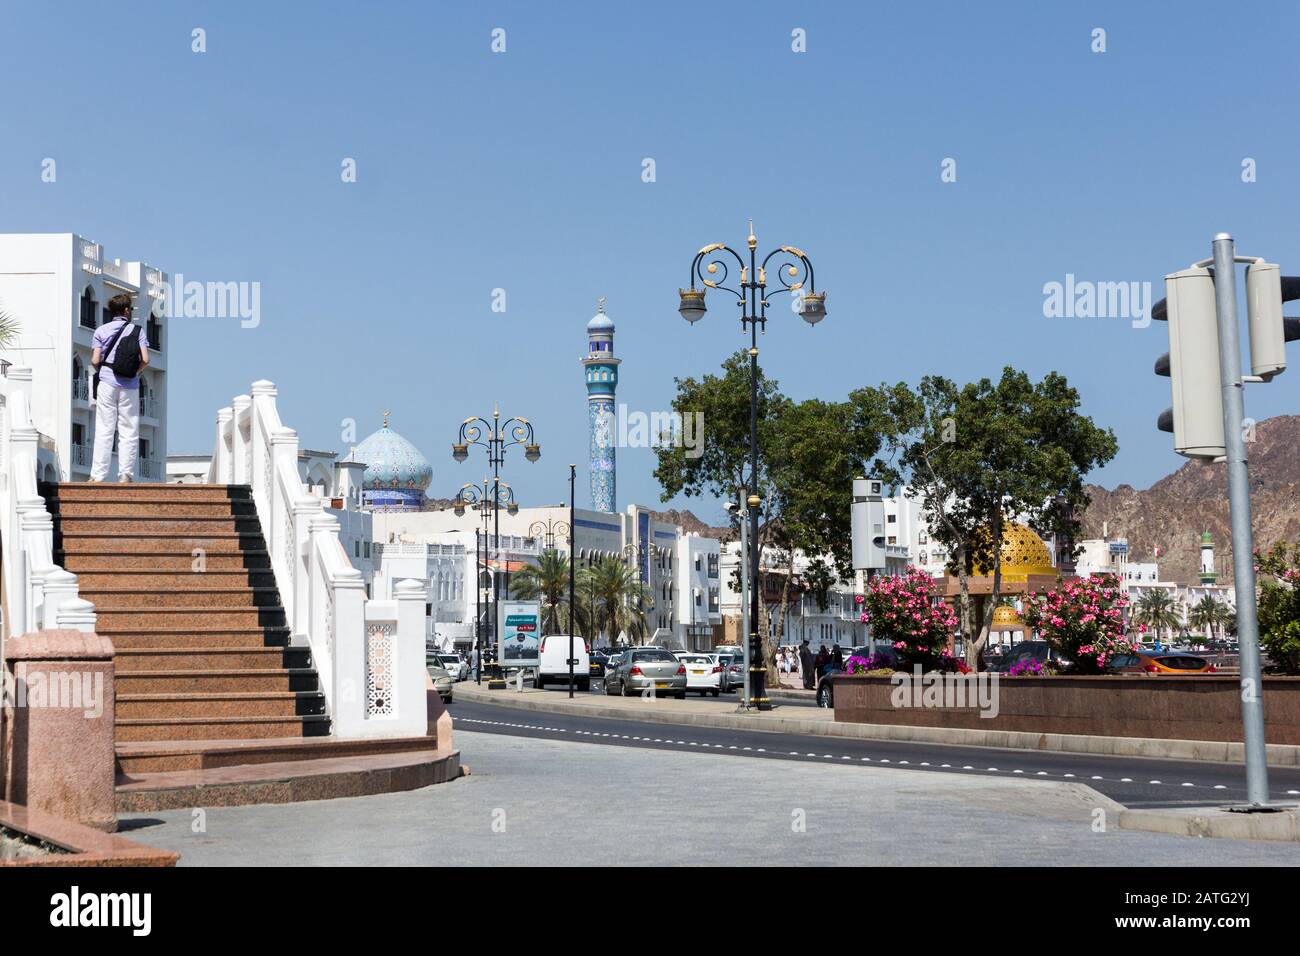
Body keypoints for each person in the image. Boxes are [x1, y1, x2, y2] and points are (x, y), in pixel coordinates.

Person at [89, 293, 150, 482]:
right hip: (130, 385)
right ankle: (125, 474)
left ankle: (97, 476)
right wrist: (136, 373)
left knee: (104, 428)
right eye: (130, 309)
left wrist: (106, 371)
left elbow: (94, 360)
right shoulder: (137, 331)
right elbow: (146, 359)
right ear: (126, 310)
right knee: (129, 429)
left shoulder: (101, 330)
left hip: (107, 383)